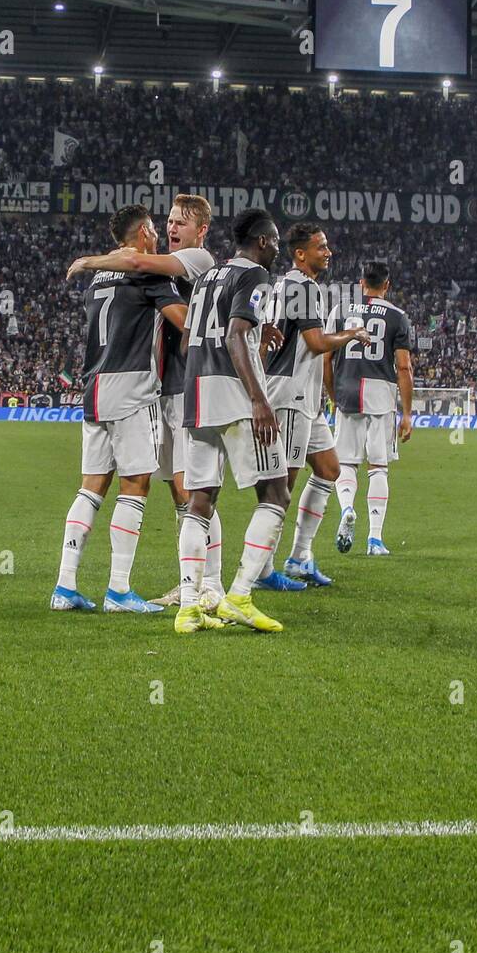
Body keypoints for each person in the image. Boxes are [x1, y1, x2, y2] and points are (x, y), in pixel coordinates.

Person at [51, 203, 213, 614]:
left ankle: (64, 586)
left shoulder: (97, 281)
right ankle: (118, 590)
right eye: (156, 229)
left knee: (91, 486)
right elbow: (185, 322)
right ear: (141, 234)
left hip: (93, 387)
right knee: (135, 485)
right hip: (133, 387)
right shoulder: (147, 273)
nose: (160, 235)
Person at [176, 208, 290, 634]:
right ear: (261, 241)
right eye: (275, 240)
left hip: (198, 392)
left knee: (199, 502)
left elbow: (189, 339)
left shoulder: (208, 276)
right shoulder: (256, 276)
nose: (277, 247)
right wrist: (259, 400)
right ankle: (239, 595)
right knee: (276, 494)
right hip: (236, 398)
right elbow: (236, 334)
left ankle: (189, 607)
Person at [258, 223, 370, 589]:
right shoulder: (302, 286)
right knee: (282, 486)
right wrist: (352, 334)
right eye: (321, 247)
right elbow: (317, 342)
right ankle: (263, 570)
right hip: (289, 396)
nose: (329, 252)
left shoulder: (285, 284)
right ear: (301, 254)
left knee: (329, 468)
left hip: (305, 397)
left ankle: (300, 557)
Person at [324, 262, 414, 556]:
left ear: (361, 282)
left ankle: (348, 507)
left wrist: (332, 394)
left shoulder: (340, 311)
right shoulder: (398, 317)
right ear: (387, 285)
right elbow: (403, 366)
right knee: (378, 467)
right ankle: (375, 539)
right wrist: (408, 414)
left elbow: (325, 358)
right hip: (380, 394)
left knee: (346, 463)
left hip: (347, 389)